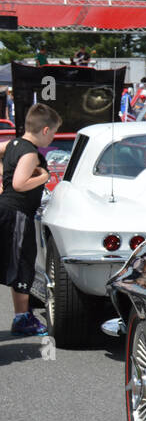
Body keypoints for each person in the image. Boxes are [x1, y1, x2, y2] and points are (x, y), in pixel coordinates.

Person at [0, 103, 61, 336]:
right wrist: (44, 176)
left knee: (18, 264)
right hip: (16, 214)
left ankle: (21, 317)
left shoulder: (13, 143)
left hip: (10, 211)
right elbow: (19, 184)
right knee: (23, 264)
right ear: (45, 130)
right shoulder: (30, 153)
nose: (53, 138)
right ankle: (23, 318)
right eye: (54, 132)